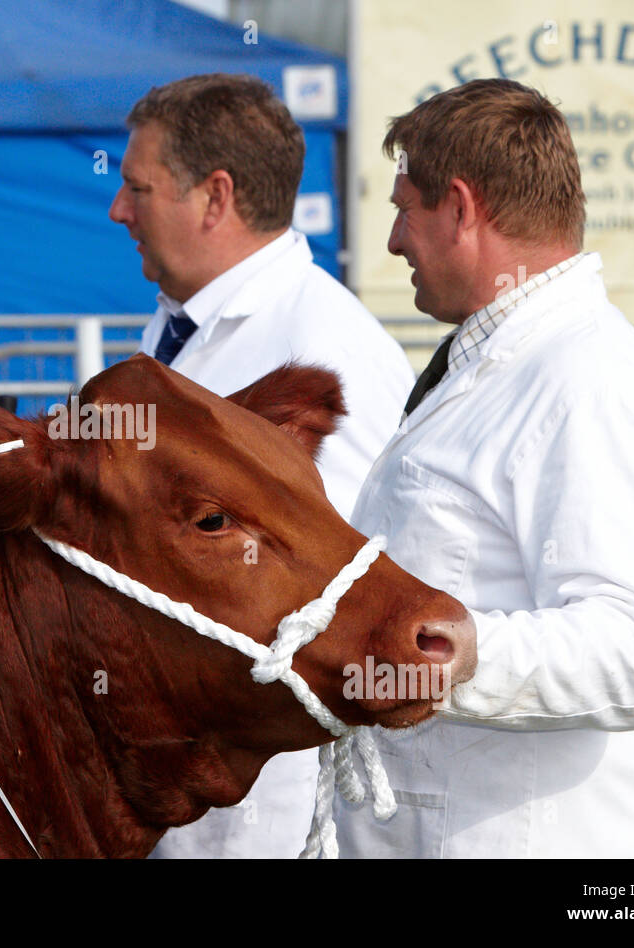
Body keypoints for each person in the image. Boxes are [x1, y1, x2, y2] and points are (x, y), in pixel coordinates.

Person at [333, 78, 634, 857]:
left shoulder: (591, 382)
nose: (394, 240)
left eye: (404, 209)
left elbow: (633, 650)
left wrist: (458, 654)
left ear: (461, 208)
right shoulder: (506, 360)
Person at [108, 74, 415, 858]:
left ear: (216, 197)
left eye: (136, 189)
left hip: (263, 806)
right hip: (182, 771)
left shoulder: (324, 349)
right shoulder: (181, 328)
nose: (118, 211)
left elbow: (334, 588)